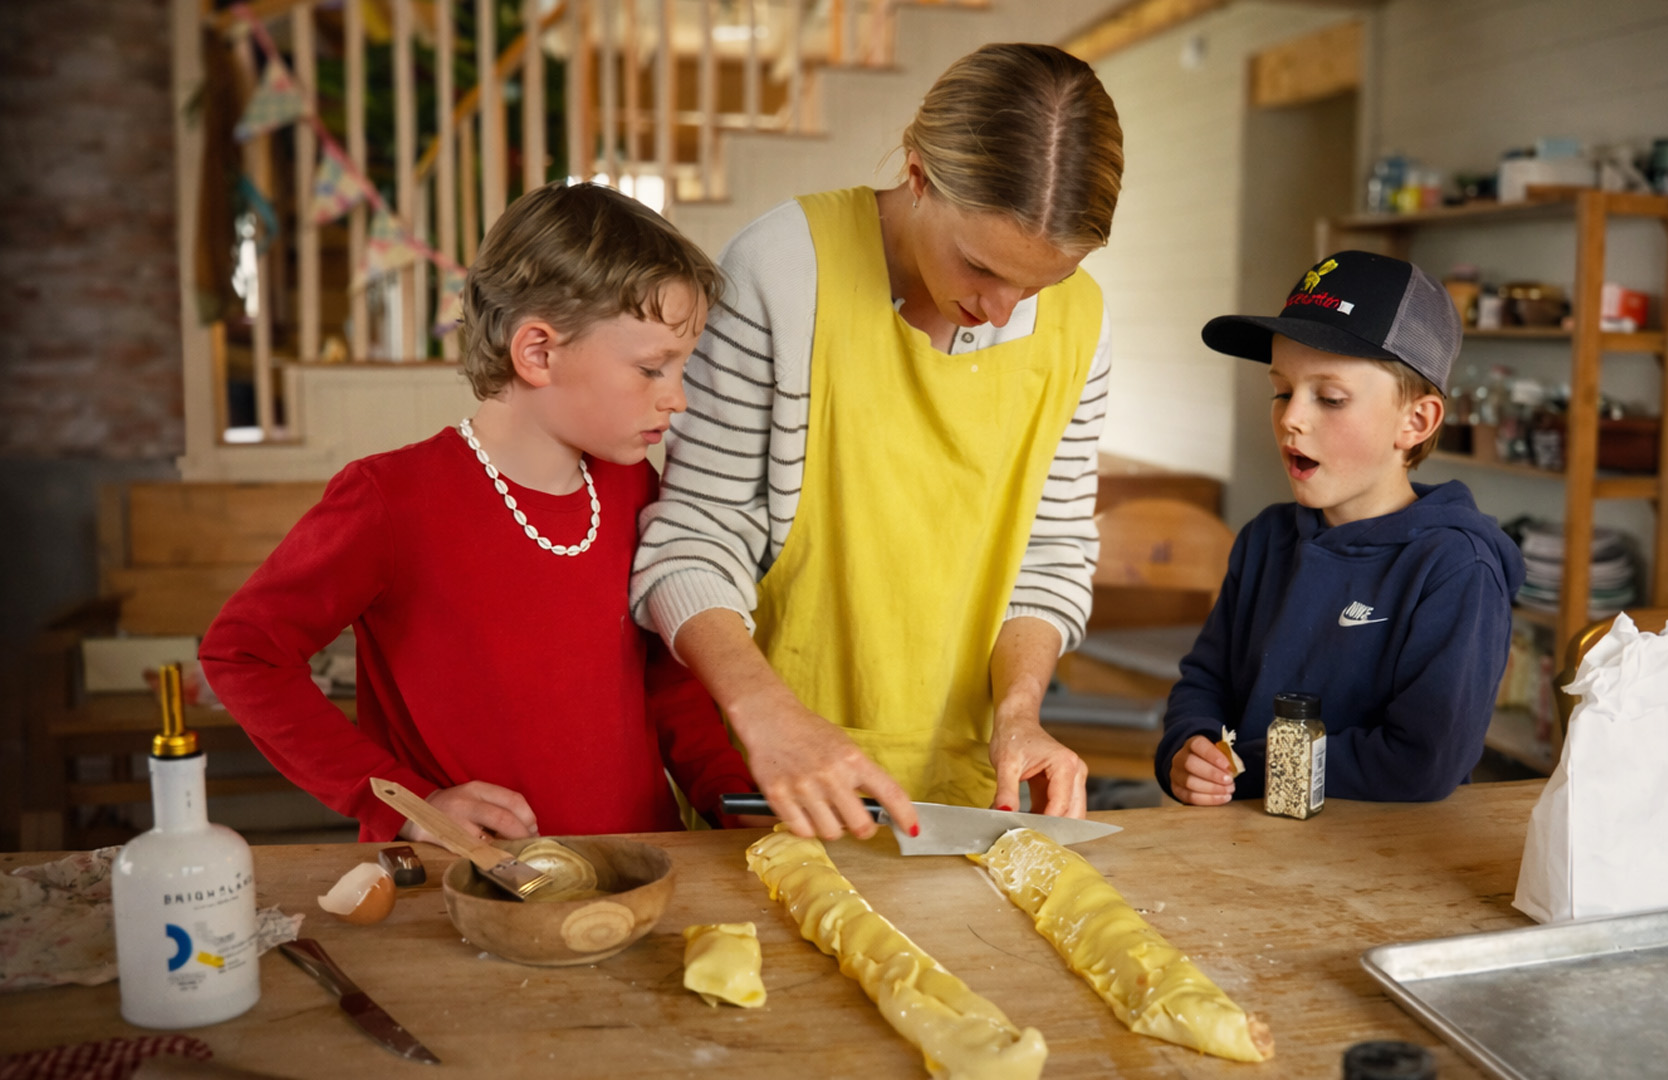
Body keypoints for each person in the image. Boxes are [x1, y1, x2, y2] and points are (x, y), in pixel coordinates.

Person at [630, 43, 1124, 840]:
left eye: (1039, 286)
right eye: (980, 267)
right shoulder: (785, 270)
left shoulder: (1084, 325)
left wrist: (1020, 713)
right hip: (774, 777)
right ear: (919, 173)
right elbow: (693, 539)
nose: (1004, 312)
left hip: (962, 788)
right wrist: (768, 716)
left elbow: (1049, 554)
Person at [201, 181, 753, 844]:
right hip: (465, 889)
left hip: (635, 875)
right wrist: (408, 804)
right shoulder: (390, 499)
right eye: (654, 369)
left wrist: (735, 795)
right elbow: (242, 654)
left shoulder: (633, 487)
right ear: (538, 352)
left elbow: (666, 682)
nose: (679, 398)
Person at [1156, 250, 1524, 807]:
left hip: (1377, 863)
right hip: (1239, 844)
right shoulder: (1264, 539)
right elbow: (1203, 681)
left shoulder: (1455, 568)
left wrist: (1245, 767)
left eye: (1329, 398)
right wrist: (1190, 749)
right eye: (1281, 391)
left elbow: (1421, 763)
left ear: (1416, 421)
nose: (1291, 418)